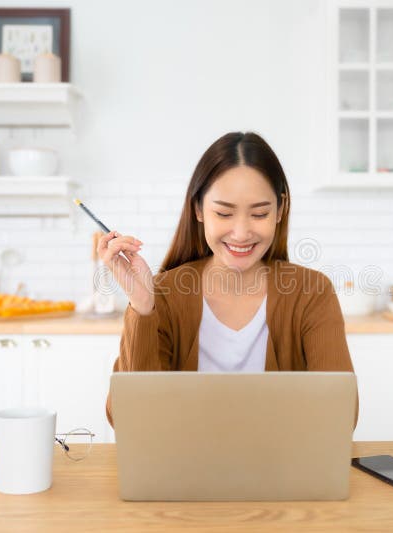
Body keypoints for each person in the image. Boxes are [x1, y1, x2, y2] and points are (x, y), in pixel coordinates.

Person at [101, 131, 355, 426]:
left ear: (280, 210)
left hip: (279, 457)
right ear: (198, 209)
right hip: (188, 458)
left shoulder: (312, 292)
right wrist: (143, 307)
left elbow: (340, 415)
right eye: (224, 213)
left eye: (259, 214)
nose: (241, 233)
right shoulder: (164, 295)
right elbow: (129, 419)